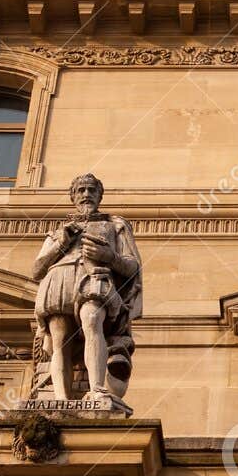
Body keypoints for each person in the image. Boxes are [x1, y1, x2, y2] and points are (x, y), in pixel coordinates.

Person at [31, 174, 142, 406]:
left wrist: (110, 257)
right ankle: (61, 399)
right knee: (60, 338)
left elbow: (132, 266)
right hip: (59, 280)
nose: (86, 194)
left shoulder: (115, 225)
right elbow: (36, 270)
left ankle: (97, 389)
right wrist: (61, 243)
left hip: (94, 278)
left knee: (92, 320)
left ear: (100, 195)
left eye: (91, 190)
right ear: (73, 196)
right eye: (80, 190)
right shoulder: (57, 232)